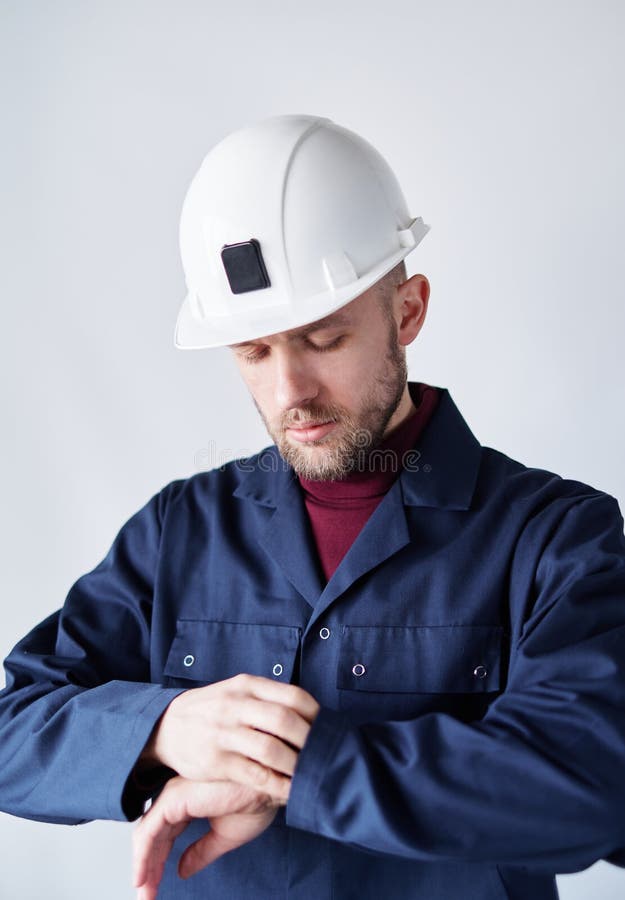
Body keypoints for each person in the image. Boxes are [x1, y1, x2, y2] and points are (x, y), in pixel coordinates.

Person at [1, 114, 625, 900]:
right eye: (254, 352)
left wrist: (296, 766)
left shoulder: (555, 536)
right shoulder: (180, 531)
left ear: (407, 311)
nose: (289, 391)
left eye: (323, 338)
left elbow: (592, 783)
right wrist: (166, 730)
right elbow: (13, 729)